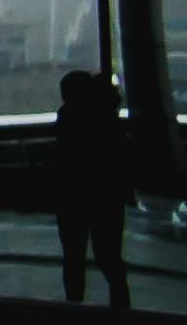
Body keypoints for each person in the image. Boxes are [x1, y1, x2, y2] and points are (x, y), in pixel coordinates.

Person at [48, 67, 131, 305]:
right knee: (109, 256)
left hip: (72, 199)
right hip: (106, 198)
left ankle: (75, 306)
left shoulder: (67, 120)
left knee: (73, 258)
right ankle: (121, 303)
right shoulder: (109, 122)